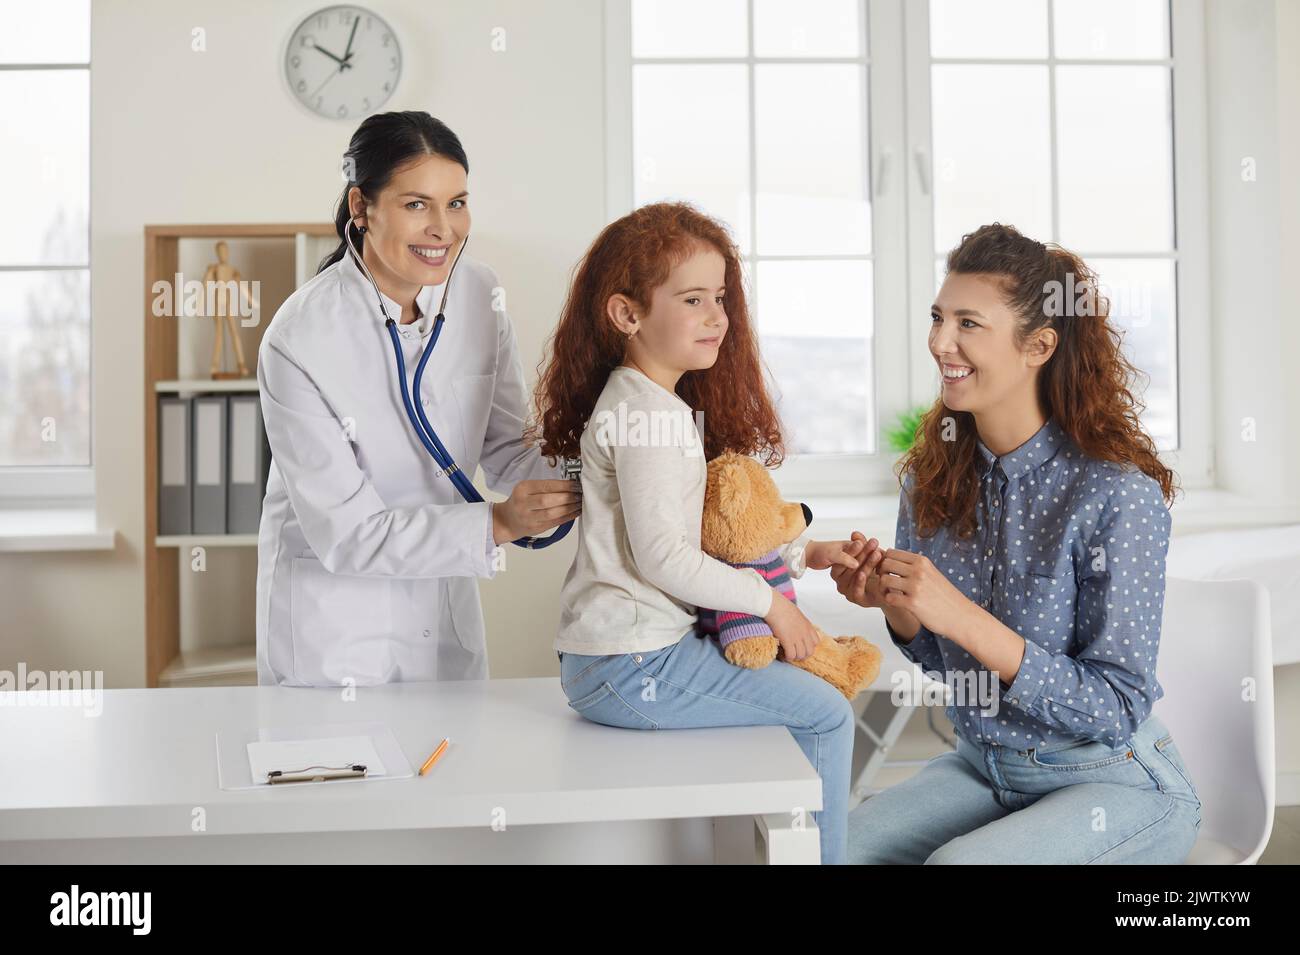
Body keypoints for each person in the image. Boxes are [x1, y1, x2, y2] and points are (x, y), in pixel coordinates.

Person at [255, 111, 580, 687]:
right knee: (346, 774)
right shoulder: (300, 337)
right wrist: (498, 525)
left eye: (456, 203)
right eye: (416, 204)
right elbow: (350, 534)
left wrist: (597, 467)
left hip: (441, 604)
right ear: (361, 207)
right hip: (335, 624)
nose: (443, 228)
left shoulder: (479, 293)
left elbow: (506, 446)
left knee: (453, 766)